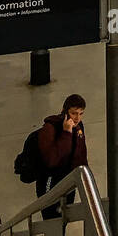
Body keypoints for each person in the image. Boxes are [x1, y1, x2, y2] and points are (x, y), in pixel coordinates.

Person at [36, 94, 88, 223]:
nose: (77, 118)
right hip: (51, 180)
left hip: (69, 179)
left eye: (81, 114)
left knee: (65, 215)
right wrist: (66, 133)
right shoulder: (50, 129)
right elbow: (52, 160)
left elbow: (81, 154)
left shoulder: (79, 128)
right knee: (51, 218)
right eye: (74, 113)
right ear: (65, 111)